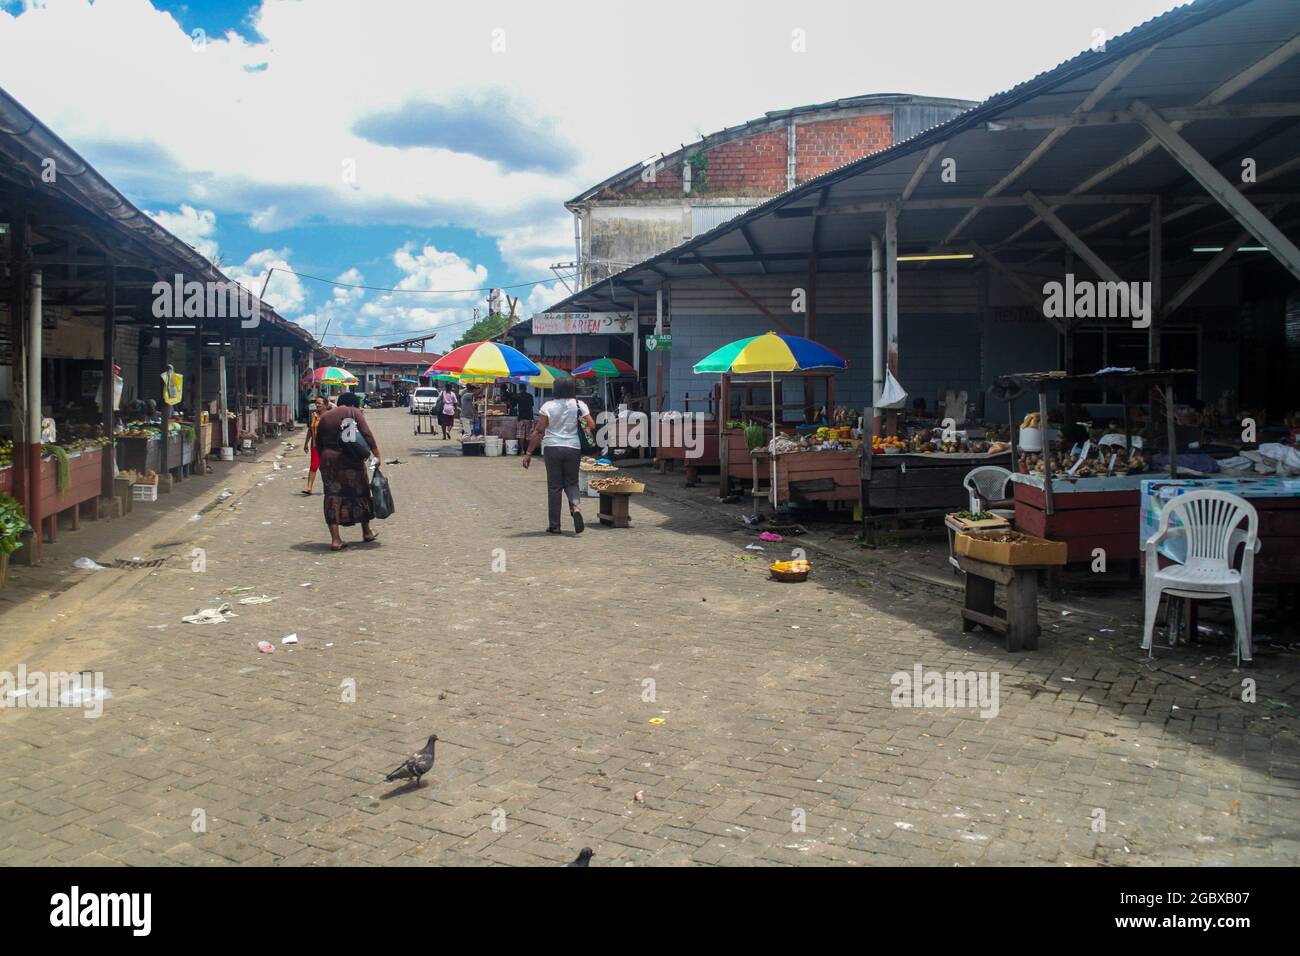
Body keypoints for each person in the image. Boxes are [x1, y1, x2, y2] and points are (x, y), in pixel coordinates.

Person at [523, 377, 594, 534]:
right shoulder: (579, 404)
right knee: (572, 483)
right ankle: (575, 507)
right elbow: (591, 424)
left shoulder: (548, 406)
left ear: (555, 389)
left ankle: (555, 526)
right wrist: (580, 422)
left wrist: (528, 453)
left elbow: (540, 430)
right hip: (573, 447)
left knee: (554, 487)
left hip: (552, 447)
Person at [315, 392, 382, 551]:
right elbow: (367, 435)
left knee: (332, 496)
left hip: (329, 460)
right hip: (351, 460)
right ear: (354, 404)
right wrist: (376, 454)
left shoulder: (325, 417)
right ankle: (366, 532)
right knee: (361, 493)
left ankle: (336, 540)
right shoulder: (354, 412)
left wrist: (324, 460)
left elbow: (318, 443)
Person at [302, 395, 328, 495]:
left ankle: (328, 487)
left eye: (319, 403)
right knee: (313, 466)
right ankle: (309, 487)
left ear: (325, 405)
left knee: (326, 467)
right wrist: (306, 443)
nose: (317, 405)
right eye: (316, 403)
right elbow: (310, 430)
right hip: (315, 445)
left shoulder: (329, 415)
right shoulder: (314, 415)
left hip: (326, 446)